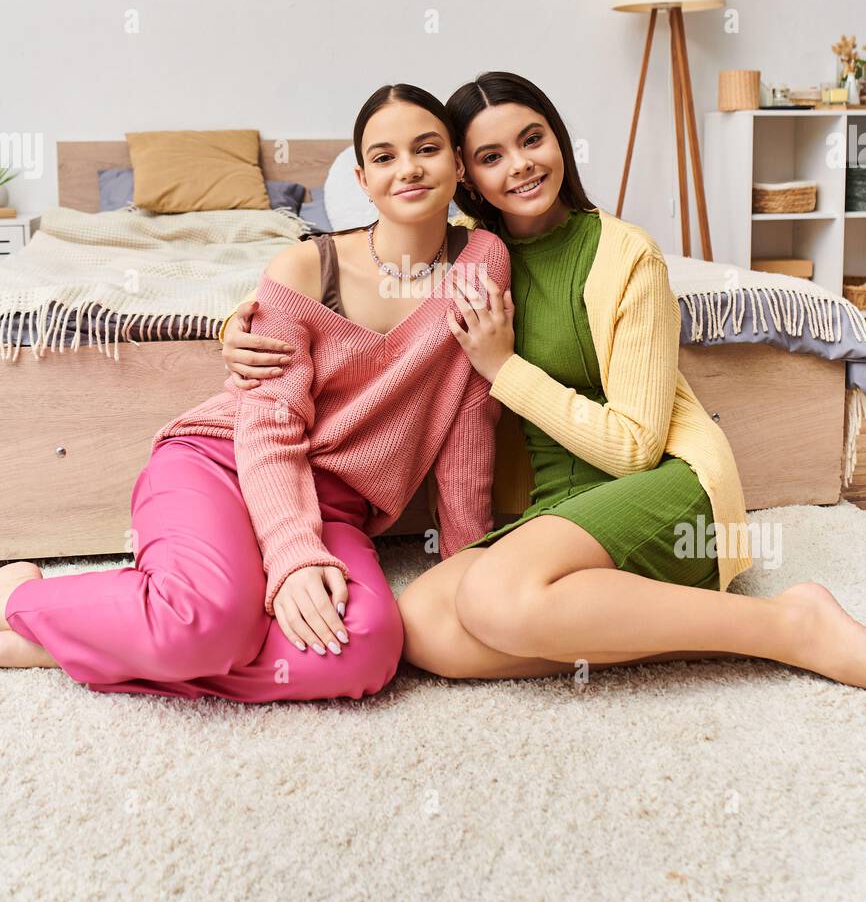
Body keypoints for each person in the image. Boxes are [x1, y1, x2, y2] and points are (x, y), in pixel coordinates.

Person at [225, 71, 866, 690]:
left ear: (558, 140)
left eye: (532, 140)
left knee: (495, 596)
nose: (520, 166)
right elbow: (358, 286)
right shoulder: (472, 256)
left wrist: (503, 368)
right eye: (491, 155)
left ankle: (792, 624)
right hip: (556, 509)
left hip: (660, 483)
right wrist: (244, 321)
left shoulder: (626, 254)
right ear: (465, 175)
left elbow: (638, 445)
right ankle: (689, 631)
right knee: (422, 627)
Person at [0, 85, 510, 702]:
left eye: (426, 149)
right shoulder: (301, 266)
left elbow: (470, 413)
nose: (407, 168)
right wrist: (294, 556)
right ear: (362, 179)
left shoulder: (483, 260)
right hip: (225, 463)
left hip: (336, 509)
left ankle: (102, 638)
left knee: (369, 650)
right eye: (384, 157)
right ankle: (26, 598)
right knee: (208, 624)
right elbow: (267, 426)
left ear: (458, 163)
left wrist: (465, 566)